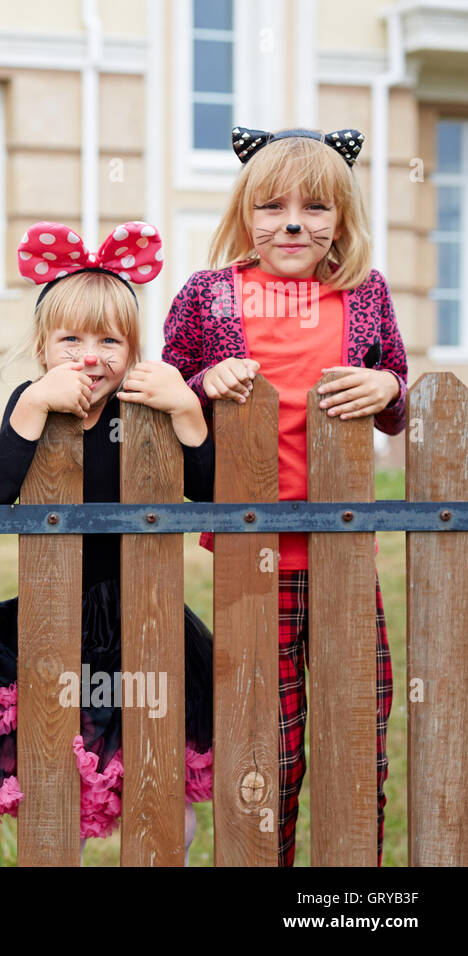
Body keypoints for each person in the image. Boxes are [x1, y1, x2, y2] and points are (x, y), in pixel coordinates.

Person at [0, 221, 216, 861]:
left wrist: (186, 410)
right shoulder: (31, 401)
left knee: (158, 785)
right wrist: (32, 408)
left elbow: (206, 495)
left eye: (109, 340)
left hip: (142, 616)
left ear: (132, 349)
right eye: (70, 339)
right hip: (50, 616)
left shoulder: (143, 408)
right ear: (42, 348)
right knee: (50, 771)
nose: (89, 356)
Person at [163, 127, 408, 865]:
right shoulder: (210, 295)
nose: (293, 222)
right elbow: (164, 391)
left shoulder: (361, 294)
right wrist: (202, 384)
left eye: (316, 208)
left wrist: (389, 385)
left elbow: (396, 396)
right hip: (251, 556)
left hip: (341, 548)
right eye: (271, 206)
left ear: (342, 218)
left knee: (359, 728)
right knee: (268, 741)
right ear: (245, 212)